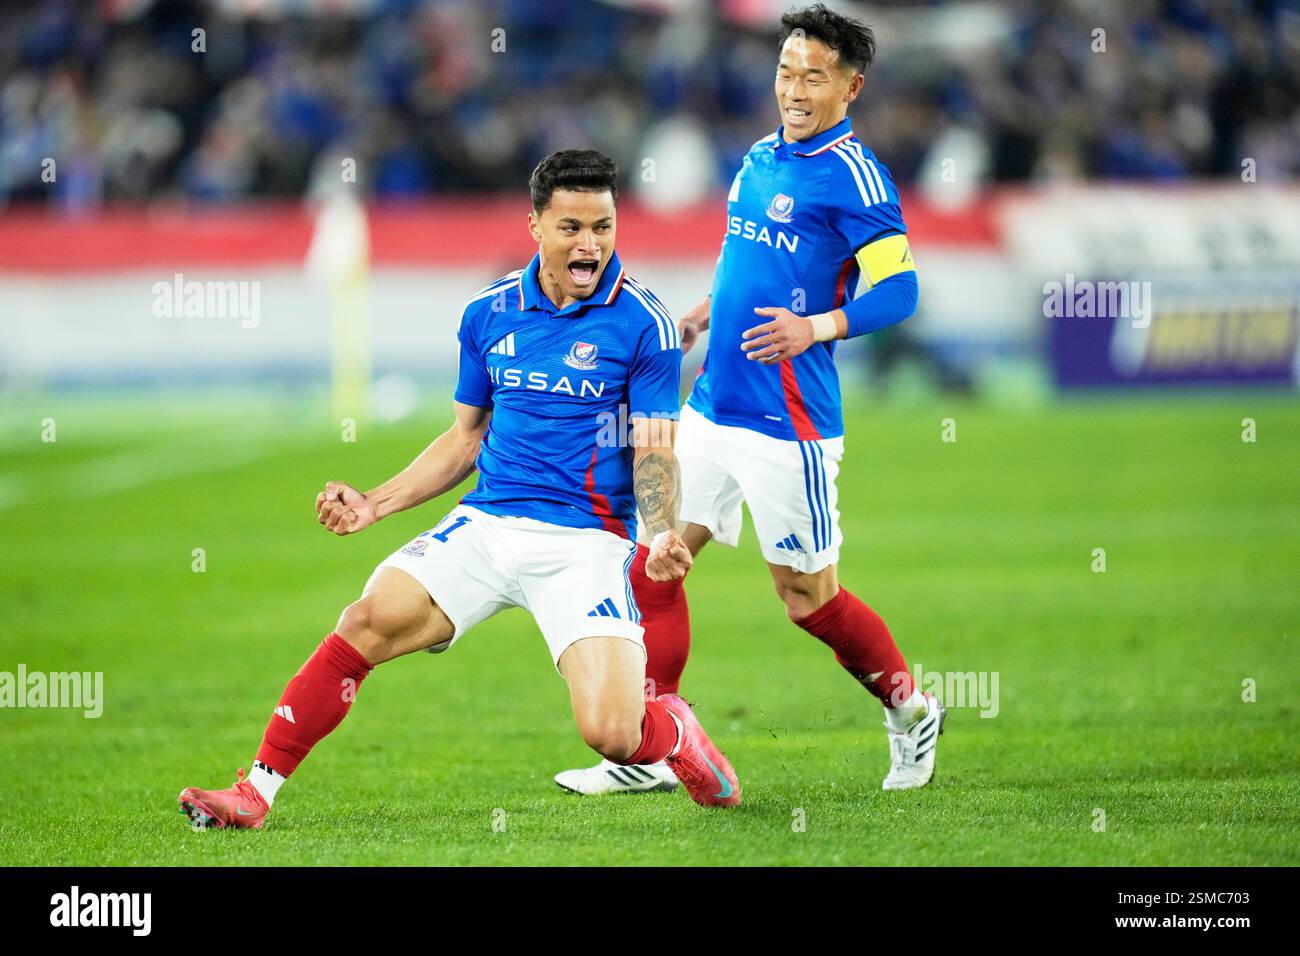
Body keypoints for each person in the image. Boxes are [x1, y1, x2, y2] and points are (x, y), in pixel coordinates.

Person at [178, 149, 741, 830]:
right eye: (571, 228)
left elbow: (653, 445)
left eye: (602, 226)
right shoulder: (487, 313)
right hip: (485, 527)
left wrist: (657, 535)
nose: (589, 244)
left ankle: (676, 737)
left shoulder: (644, 322)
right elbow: (465, 438)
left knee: (611, 733)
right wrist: (375, 502)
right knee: (364, 622)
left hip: (584, 544)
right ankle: (255, 793)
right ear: (537, 225)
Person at [555, 5, 943, 797]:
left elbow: (900, 289)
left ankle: (910, 709)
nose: (795, 88)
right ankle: (649, 751)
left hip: (788, 425)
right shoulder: (762, 154)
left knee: (807, 599)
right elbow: (746, 257)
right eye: (786, 70)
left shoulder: (857, 175)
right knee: (653, 563)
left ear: (851, 87)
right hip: (710, 409)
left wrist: (818, 326)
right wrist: (704, 312)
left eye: (815, 75)